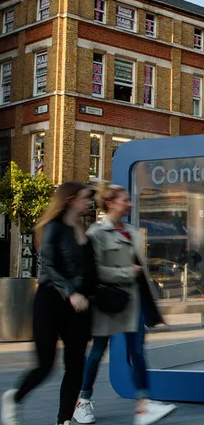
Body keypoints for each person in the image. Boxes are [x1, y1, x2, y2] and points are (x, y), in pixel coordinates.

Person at [72, 183, 176, 425]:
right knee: (97, 351)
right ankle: (82, 401)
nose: (129, 203)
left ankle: (143, 405)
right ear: (110, 203)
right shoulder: (97, 233)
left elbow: (140, 270)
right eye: (124, 199)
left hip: (133, 301)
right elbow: (95, 270)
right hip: (108, 301)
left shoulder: (132, 231)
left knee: (137, 351)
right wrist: (127, 272)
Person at [1, 182, 97, 425]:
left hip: (79, 306)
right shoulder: (53, 227)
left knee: (75, 366)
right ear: (71, 199)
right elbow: (50, 267)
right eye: (85, 197)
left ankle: (63, 420)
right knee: (45, 365)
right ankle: (14, 398)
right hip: (51, 301)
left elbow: (89, 271)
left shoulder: (84, 230)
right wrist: (71, 292)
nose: (90, 201)